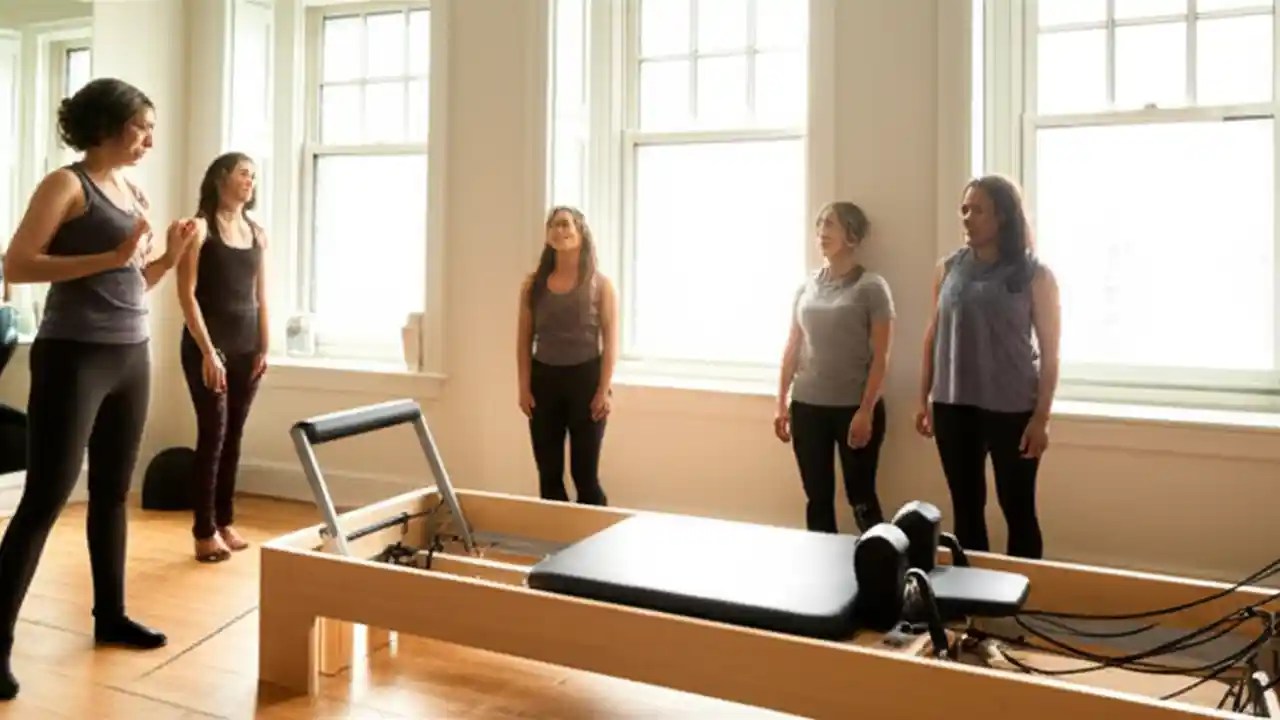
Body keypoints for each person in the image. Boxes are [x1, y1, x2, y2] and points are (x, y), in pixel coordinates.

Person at [0, 77, 200, 700]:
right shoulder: (66, 185)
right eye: (142, 127)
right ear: (107, 126)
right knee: (45, 498)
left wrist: (169, 255)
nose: (150, 140)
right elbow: (16, 264)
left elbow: (133, 282)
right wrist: (110, 257)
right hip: (73, 356)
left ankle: (110, 616)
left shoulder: (131, 191)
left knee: (113, 493)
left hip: (131, 355)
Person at [915, 174, 1061, 559]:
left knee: (1018, 508)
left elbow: (1050, 353)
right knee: (966, 509)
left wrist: (1041, 418)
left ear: (1002, 216)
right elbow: (933, 334)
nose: (967, 217)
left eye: (977, 210)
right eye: (964, 209)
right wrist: (923, 397)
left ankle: (1024, 589)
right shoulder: (948, 268)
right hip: (953, 405)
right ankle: (973, 591)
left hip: (1013, 409)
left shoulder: (1035, 274)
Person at [774, 202, 894, 534]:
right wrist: (781, 402)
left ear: (851, 235)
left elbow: (882, 356)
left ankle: (881, 559)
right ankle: (821, 563)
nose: (822, 232)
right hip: (807, 405)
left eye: (831, 224)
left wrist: (866, 410)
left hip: (853, 407)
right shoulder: (806, 287)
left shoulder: (872, 287)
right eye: (820, 225)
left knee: (861, 497)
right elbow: (793, 346)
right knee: (817, 498)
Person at [176, 152, 269, 563]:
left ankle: (225, 521)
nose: (250, 181)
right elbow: (186, 296)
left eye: (253, 176)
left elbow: (261, 296)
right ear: (220, 178)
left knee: (233, 436)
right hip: (206, 349)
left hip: (247, 348)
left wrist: (264, 346)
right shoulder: (197, 229)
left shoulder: (257, 234)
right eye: (243, 173)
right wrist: (208, 352)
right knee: (213, 436)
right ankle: (203, 531)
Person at [516, 206, 617, 505]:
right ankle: (556, 534)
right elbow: (523, 341)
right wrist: (524, 388)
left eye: (565, 224)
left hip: (586, 381)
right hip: (544, 382)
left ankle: (597, 532)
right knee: (549, 475)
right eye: (553, 226)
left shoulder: (601, 285)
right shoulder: (532, 286)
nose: (559, 231)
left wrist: (603, 390)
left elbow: (611, 342)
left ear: (580, 232)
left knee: (585, 476)